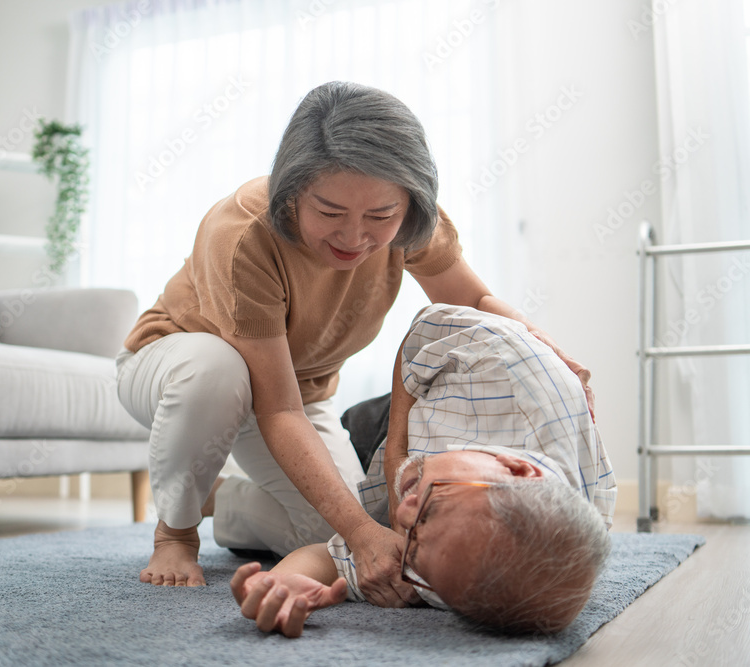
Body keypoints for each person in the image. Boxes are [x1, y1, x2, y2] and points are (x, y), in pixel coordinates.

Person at [115, 81, 595, 604]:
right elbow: (278, 411)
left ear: (408, 203)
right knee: (220, 369)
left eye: (380, 217)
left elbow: (476, 304)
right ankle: (176, 530)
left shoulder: (410, 219)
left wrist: (546, 349)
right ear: (291, 189)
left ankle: (219, 498)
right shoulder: (241, 234)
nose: (353, 237)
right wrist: (364, 535)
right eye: (329, 212)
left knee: (333, 538)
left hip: (298, 394)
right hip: (178, 366)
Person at [231, 304, 616, 636]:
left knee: (313, 528)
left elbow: (330, 557)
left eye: (413, 544)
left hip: (424, 458)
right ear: (515, 468)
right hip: (395, 418)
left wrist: (279, 584)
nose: (402, 514)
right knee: (338, 481)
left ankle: (223, 499)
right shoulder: (509, 368)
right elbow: (425, 329)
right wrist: (395, 453)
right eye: (431, 506)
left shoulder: (449, 577)